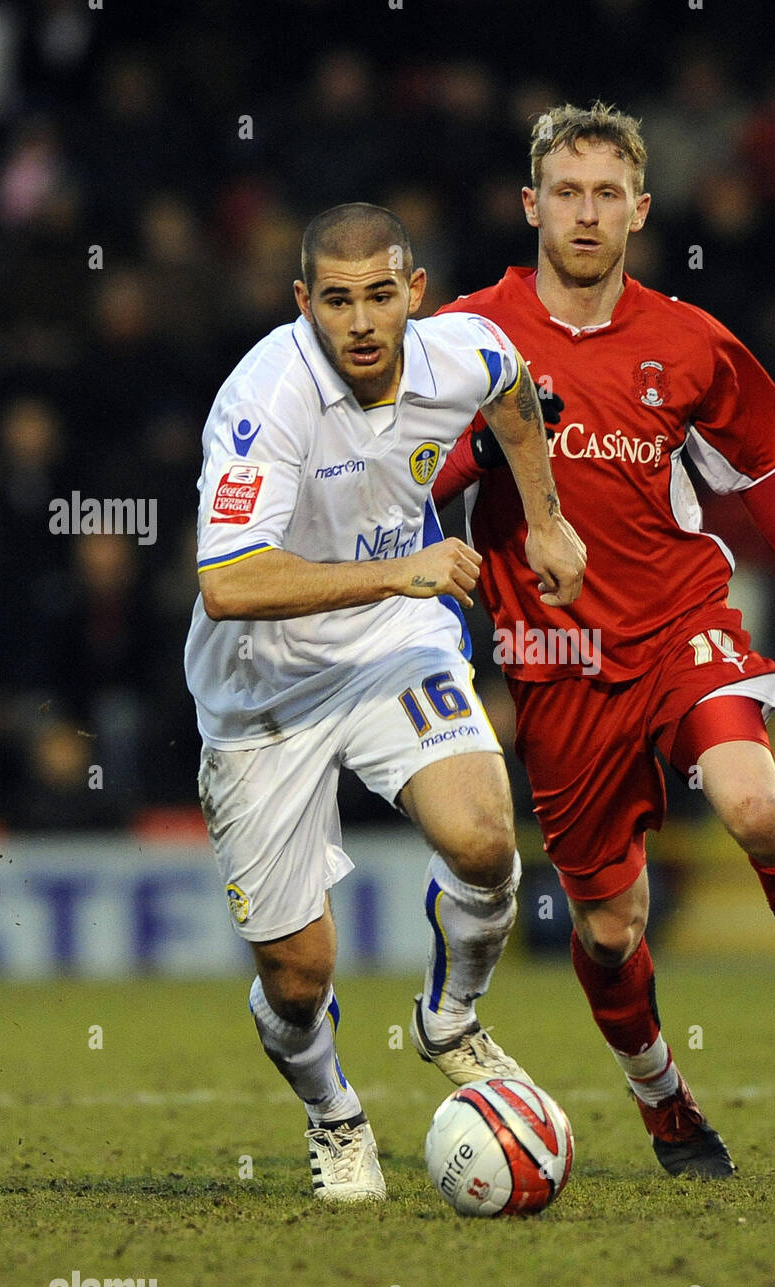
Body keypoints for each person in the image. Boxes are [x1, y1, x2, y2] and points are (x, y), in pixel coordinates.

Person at [433, 103, 775, 1181]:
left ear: (640, 210)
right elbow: (411, 480)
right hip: (558, 664)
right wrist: (485, 444)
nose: (585, 212)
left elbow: (765, 471)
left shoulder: (688, 339)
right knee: (613, 928)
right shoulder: (467, 338)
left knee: (757, 804)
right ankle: (664, 1102)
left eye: (606, 193)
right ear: (531, 205)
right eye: (565, 192)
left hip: (680, 622)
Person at [185, 203, 585, 1202]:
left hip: (391, 649)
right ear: (302, 304)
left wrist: (545, 521)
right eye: (335, 301)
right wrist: (398, 571)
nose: (360, 323)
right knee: (298, 973)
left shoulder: (458, 350)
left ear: (412, 292)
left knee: (487, 839)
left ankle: (449, 1018)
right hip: (262, 683)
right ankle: (336, 1119)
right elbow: (227, 584)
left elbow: (512, 387)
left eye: (378, 297)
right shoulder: (263, 400)